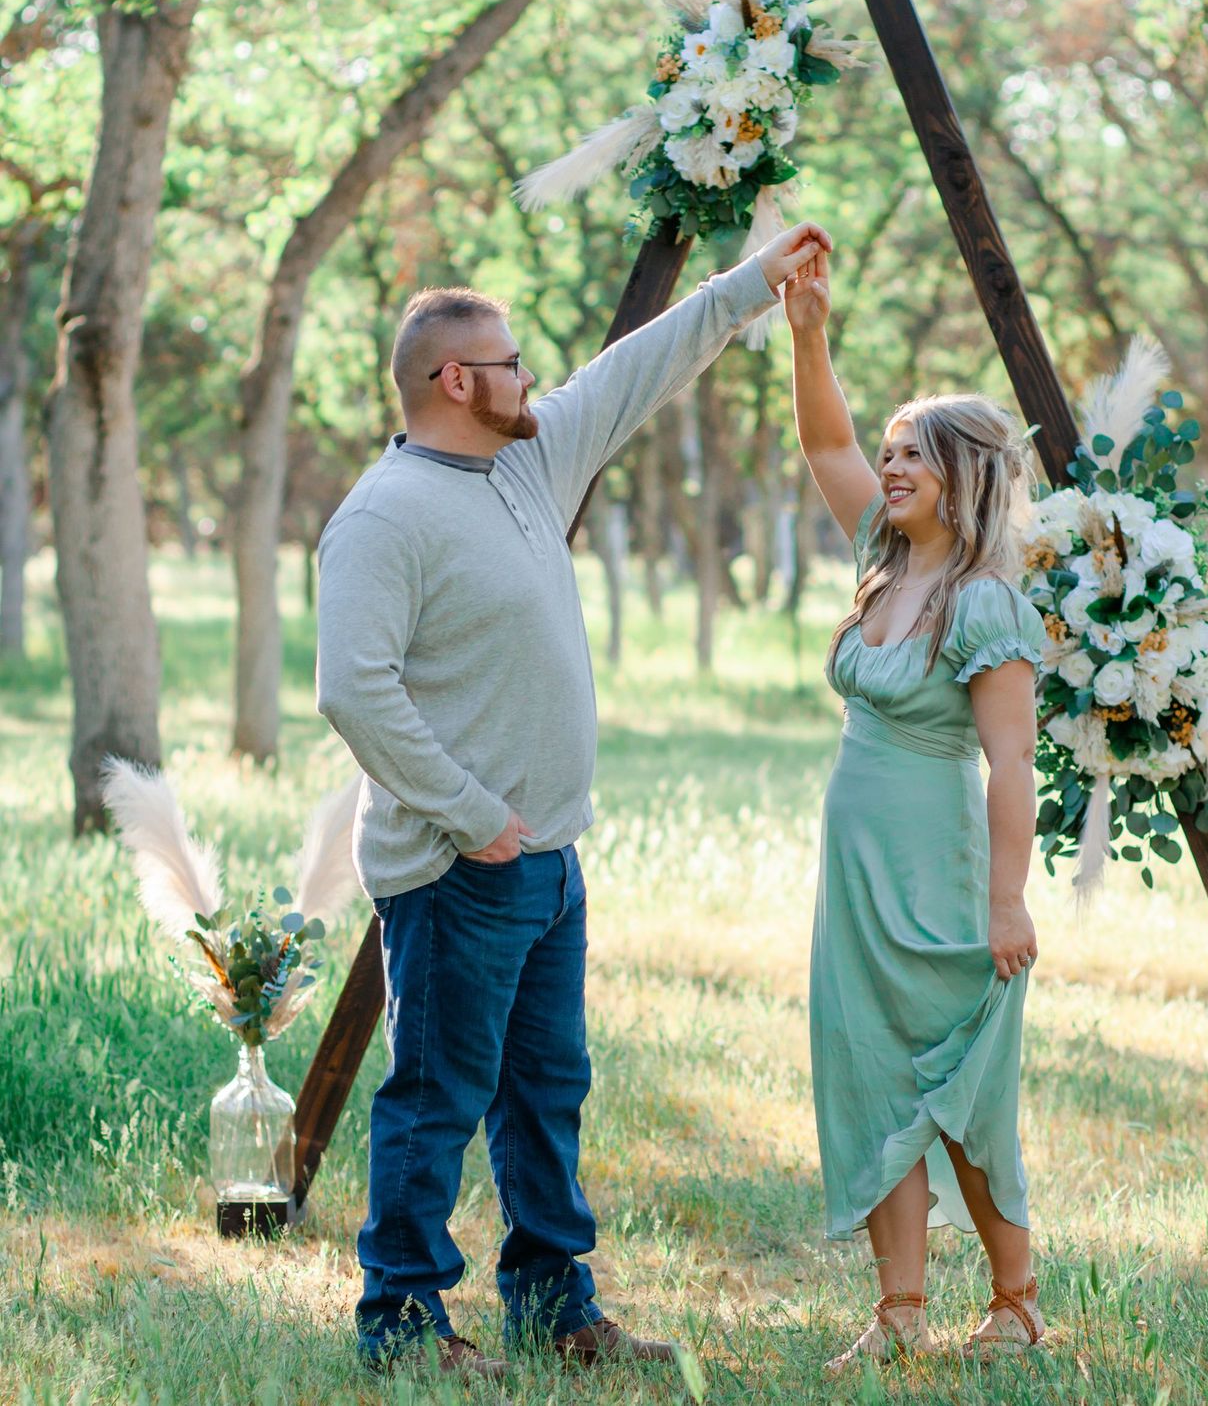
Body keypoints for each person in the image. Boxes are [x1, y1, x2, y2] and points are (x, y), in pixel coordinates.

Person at [315, 221, 829, 1382]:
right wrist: (468, 812)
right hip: (459, 868)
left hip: (548, 864)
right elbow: (352, 687)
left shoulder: (530, 459)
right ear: (454, 381)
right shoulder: (382, 517)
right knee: (435, 1099)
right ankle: (400, 1323)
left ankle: (553, 1308)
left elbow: (644, 361)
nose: (531, 378)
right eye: (507, 362)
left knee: (547, 1094)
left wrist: (757, 281)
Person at [785, 244, 1046, 1366]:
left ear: (964, 474)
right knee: (872, 1071)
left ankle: (1017, 1302)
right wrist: (807, 335)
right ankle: (897, 1316)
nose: (889, 470)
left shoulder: (985, 602)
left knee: (961, 1085)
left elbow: (1013, 767)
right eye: (892, 455)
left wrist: (1007, 903)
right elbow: (824, 440)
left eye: (914, 458)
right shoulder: (881, 561)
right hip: (856, 868)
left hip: (941, 869)